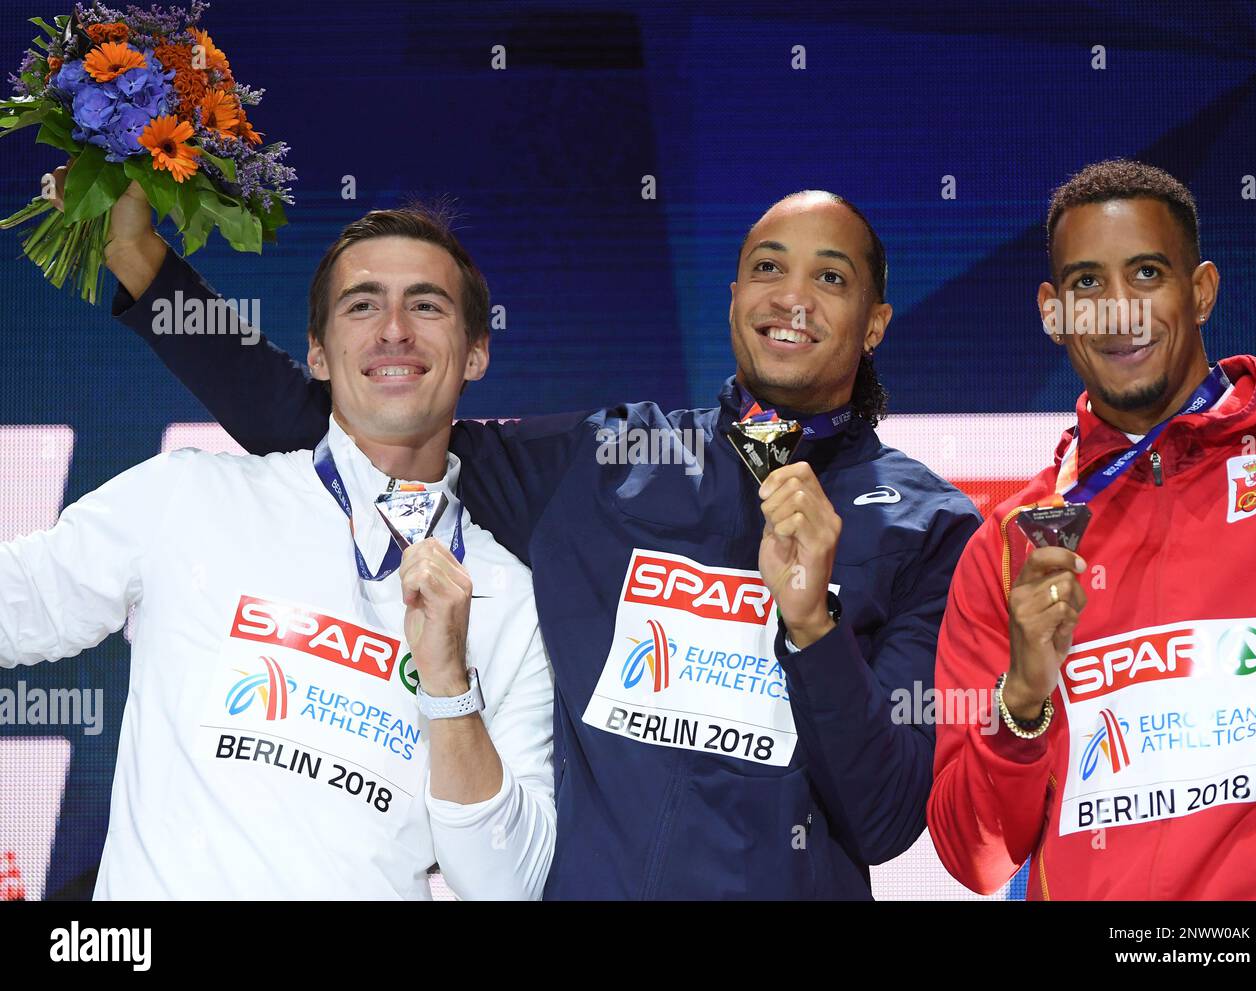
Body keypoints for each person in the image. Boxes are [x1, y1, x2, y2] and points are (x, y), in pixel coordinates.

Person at [101, 184, 980, 899]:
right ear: (735, 298)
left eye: (830, 277)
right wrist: (148, 270)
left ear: (875, 322)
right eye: (767, 268)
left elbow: (884, 815)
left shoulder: (930, 527)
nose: (791, 297)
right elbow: (357, 433)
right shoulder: (611, 463)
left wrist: (814, 629)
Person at [0, 198, 556, 899]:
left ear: (476, 351)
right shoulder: (189, 494)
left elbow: (509, 884)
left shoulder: (510, 598)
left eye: (426, 306)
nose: (394, 329)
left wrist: (448, 688)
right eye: (362, 306)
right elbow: (16, 607)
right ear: (317, 352)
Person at [927, 159, 1256, 899]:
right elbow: (975, 858)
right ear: (1053, 311)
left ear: (1201, 291)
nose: (1118, 312)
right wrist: (1022, 697)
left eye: (1147, 274)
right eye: (1087, 284)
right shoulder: (1009, 547)